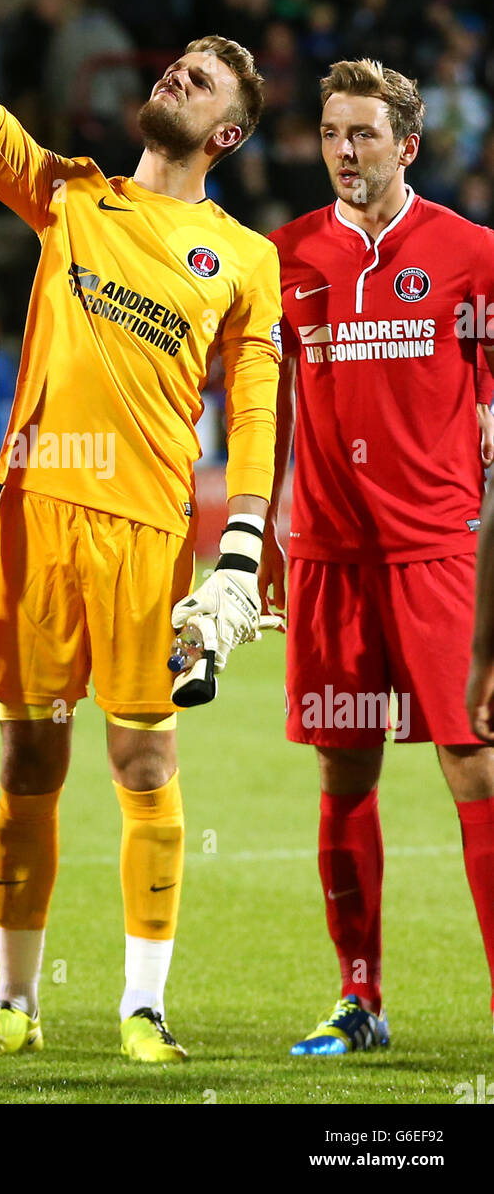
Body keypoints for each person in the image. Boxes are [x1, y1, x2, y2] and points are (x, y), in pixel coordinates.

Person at [0, 0, 282, 1061]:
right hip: (33, 515)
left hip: (144, 529)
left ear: (223, 126)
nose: (175, 71)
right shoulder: (70, 195)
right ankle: (15, 1003)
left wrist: (240, 550)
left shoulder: (246, 261)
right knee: (25, 757)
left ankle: (141, 1008)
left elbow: (257, 409)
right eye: (176, 61)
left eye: (201, 75)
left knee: (144, 759)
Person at [262, 58, 494, 1055]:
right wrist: (261, 532)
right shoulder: (283, 258)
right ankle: (359, 998)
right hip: (325, 552)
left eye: (360, 134)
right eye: (328, 133)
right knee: (343, 770)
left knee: (472, 764)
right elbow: (269, 407)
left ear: (406, 145)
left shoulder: (468, 254)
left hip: (438, 550)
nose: (341, 151)